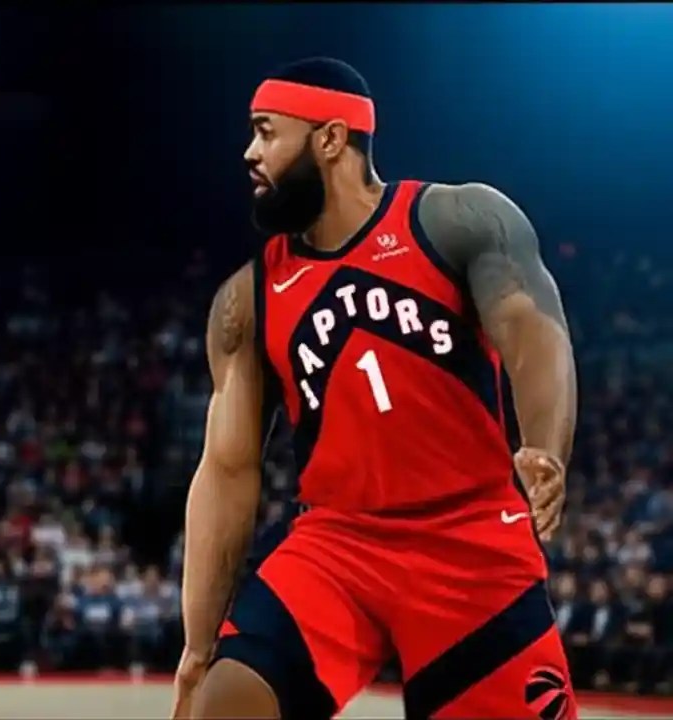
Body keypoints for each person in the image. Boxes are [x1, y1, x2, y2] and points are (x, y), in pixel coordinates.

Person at [173, 58, 578, 720]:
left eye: (267, 132)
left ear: (331, 138)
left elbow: (535, 333)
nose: (251, 153)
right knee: (230, 704)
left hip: (470, 537)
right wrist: (197, 646)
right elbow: (226, 468)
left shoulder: (456, 219)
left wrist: (545, 447)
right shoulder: (246, 300)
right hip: (337, 544)